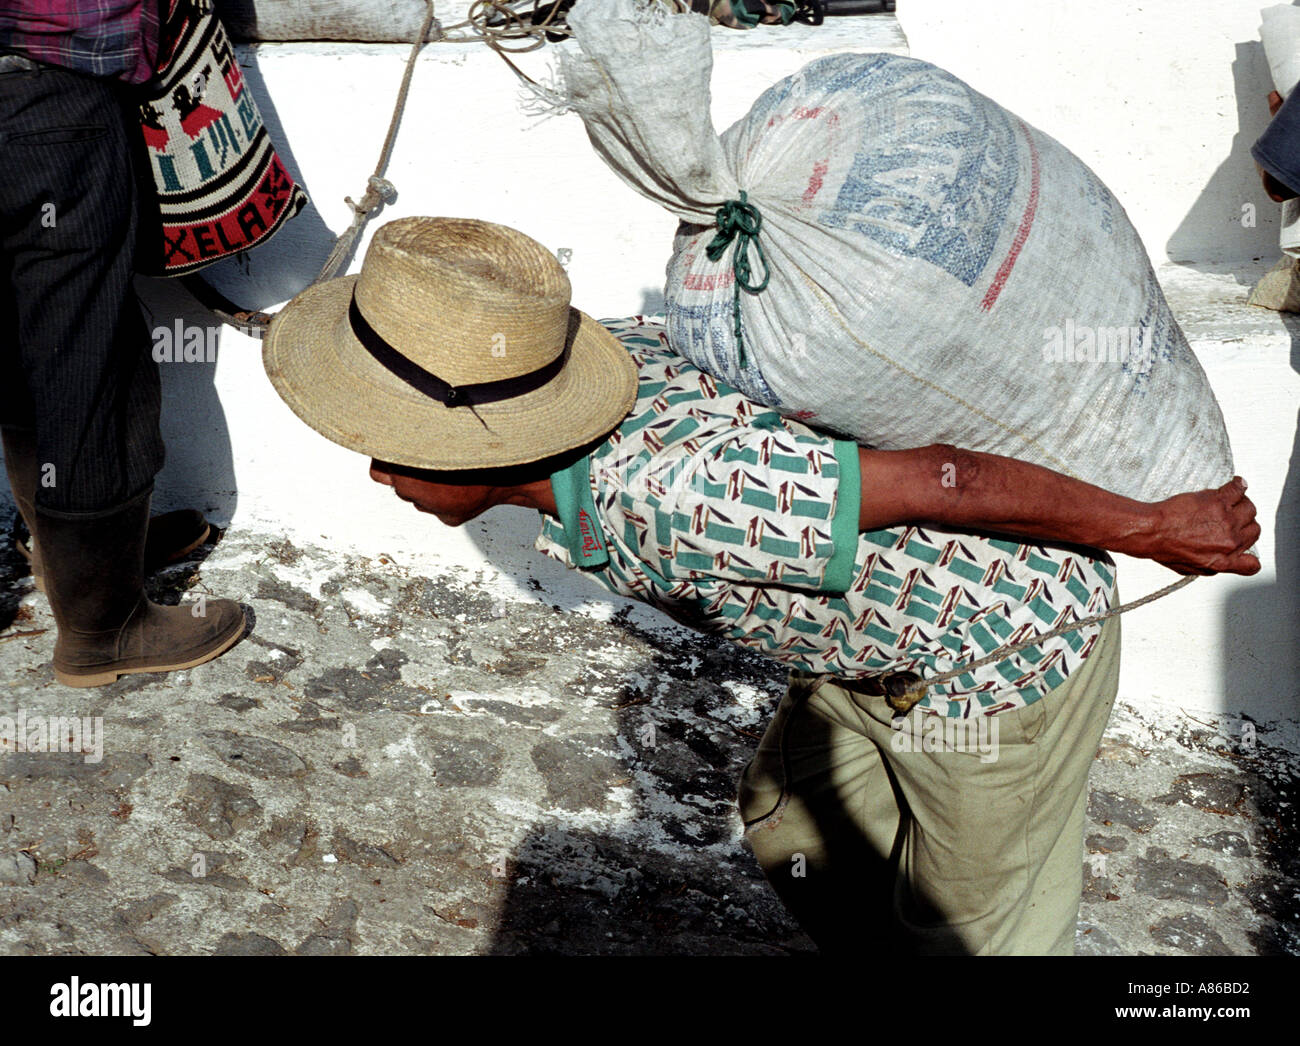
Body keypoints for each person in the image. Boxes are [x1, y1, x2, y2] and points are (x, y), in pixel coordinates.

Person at [263, 216, 1260, 955]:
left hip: (995, 658)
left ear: (484, 439)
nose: (377, 474)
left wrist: (1157, 527)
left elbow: (947, 476)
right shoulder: (577, 363)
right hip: (859, 655)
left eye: (396, 448)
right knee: (788, 821)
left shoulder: (672, 498)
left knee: (981, 931)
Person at [0, 1, 245, 686]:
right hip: (41, 97)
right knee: (85, 357)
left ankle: (70, 557)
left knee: (21, 344)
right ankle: (105, 626)